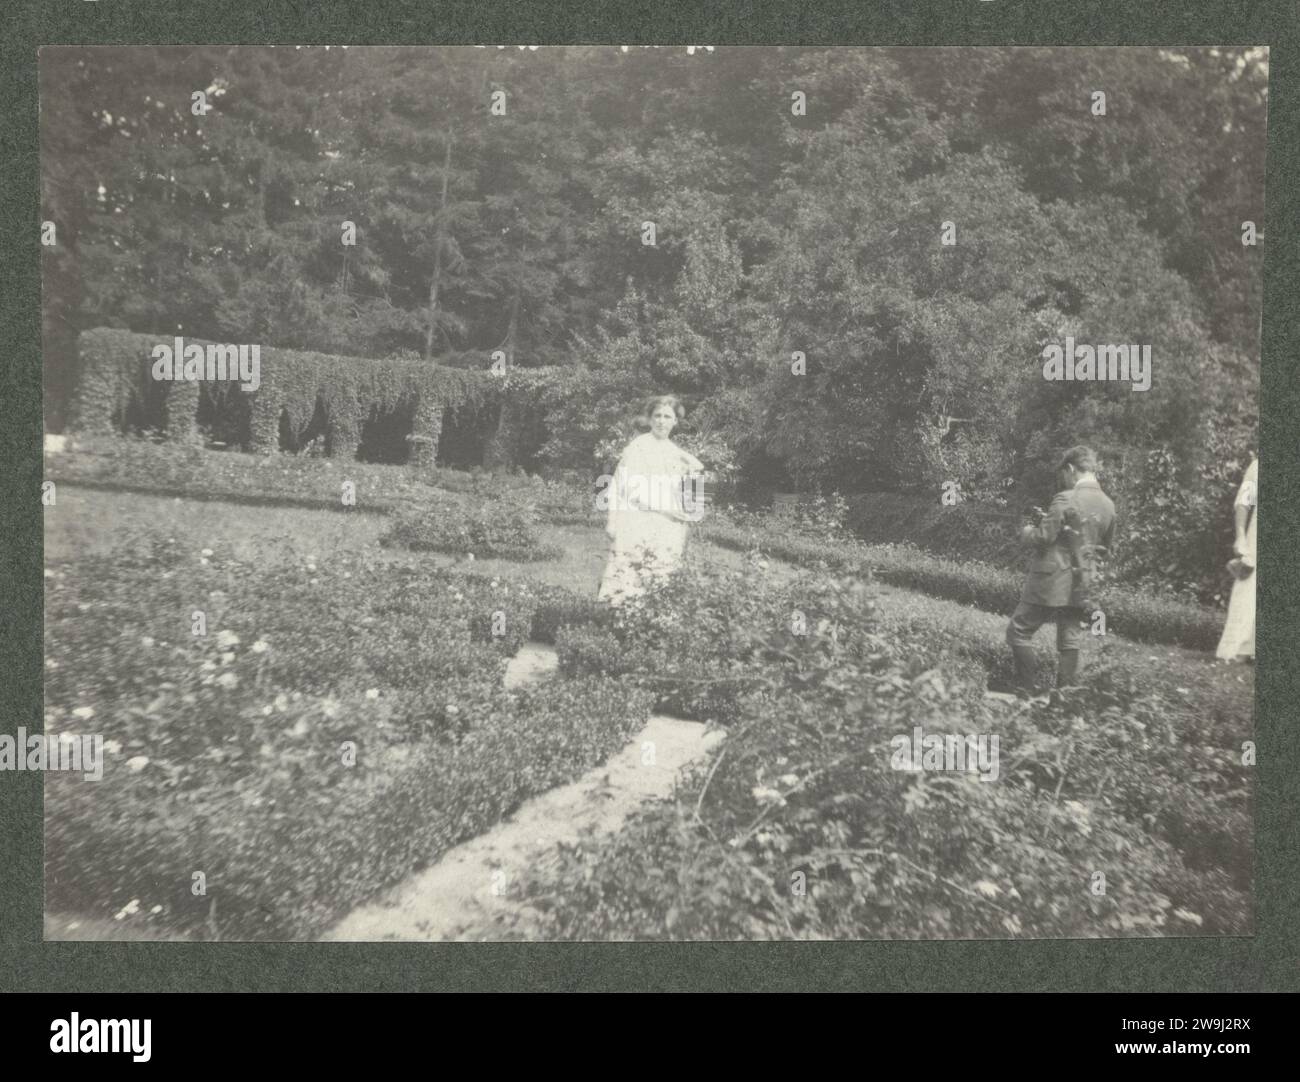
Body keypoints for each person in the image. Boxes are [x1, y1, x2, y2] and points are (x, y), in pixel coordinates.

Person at [1005, 445, 1116, 695]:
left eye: (1063, 475)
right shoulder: (1109, 505)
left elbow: (1043, 537)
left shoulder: (1066, 498)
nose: (1063, 480)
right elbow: (1105, 550)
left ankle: (1026, 691)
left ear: (1070, 469)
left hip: (1051, 581)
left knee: (1018, 631)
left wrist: (1026, 532)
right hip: (1083, 585)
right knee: (1069, 640)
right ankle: (1062, 701)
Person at [597, 395, 705, 606]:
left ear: (675, 421)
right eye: (657, 416)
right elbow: (623, 486)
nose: (661, 421)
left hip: (666, 524)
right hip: (637, 519)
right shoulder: (638, 447)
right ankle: (622, 623)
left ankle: (653, 625)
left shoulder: (674, 451)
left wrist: (689, 462)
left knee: (661, 573)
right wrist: (612, 521)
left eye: (667, 416)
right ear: (649, 419)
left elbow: (696, 473)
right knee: (631, 574)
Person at [1216, 454, 1257, 662]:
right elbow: (1243, 502)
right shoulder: (1259, 466)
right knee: (1248, 588)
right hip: (1258, 537)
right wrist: (1240, 536)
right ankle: (1238, 649)